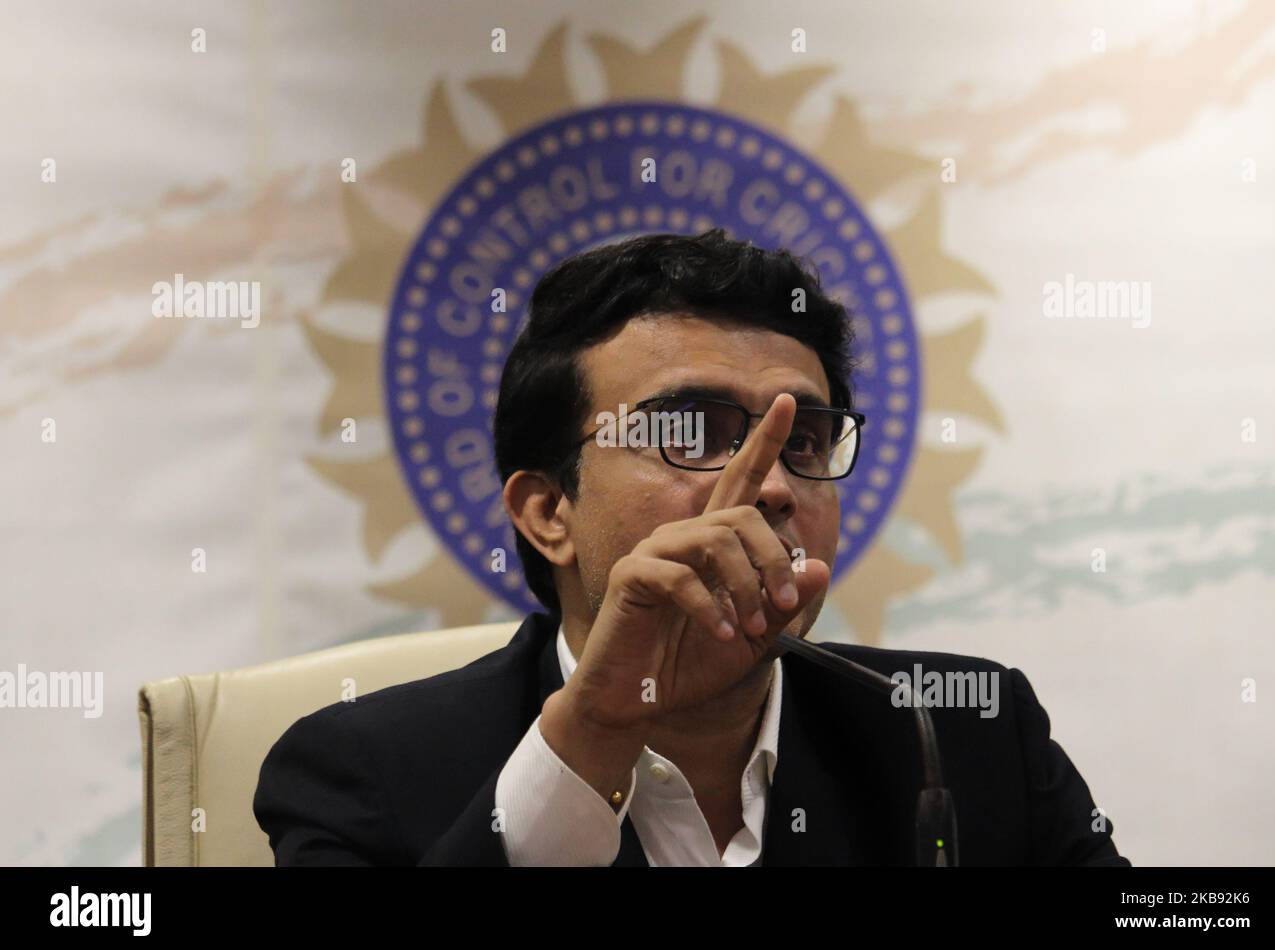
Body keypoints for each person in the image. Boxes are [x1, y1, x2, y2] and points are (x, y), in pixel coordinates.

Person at [254, 229, 1130, 866]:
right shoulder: (362, 773)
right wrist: (590, 738)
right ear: (548, 510)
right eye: (693, 431)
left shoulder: (960, 731)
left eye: (806, 441)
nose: (775, 486)